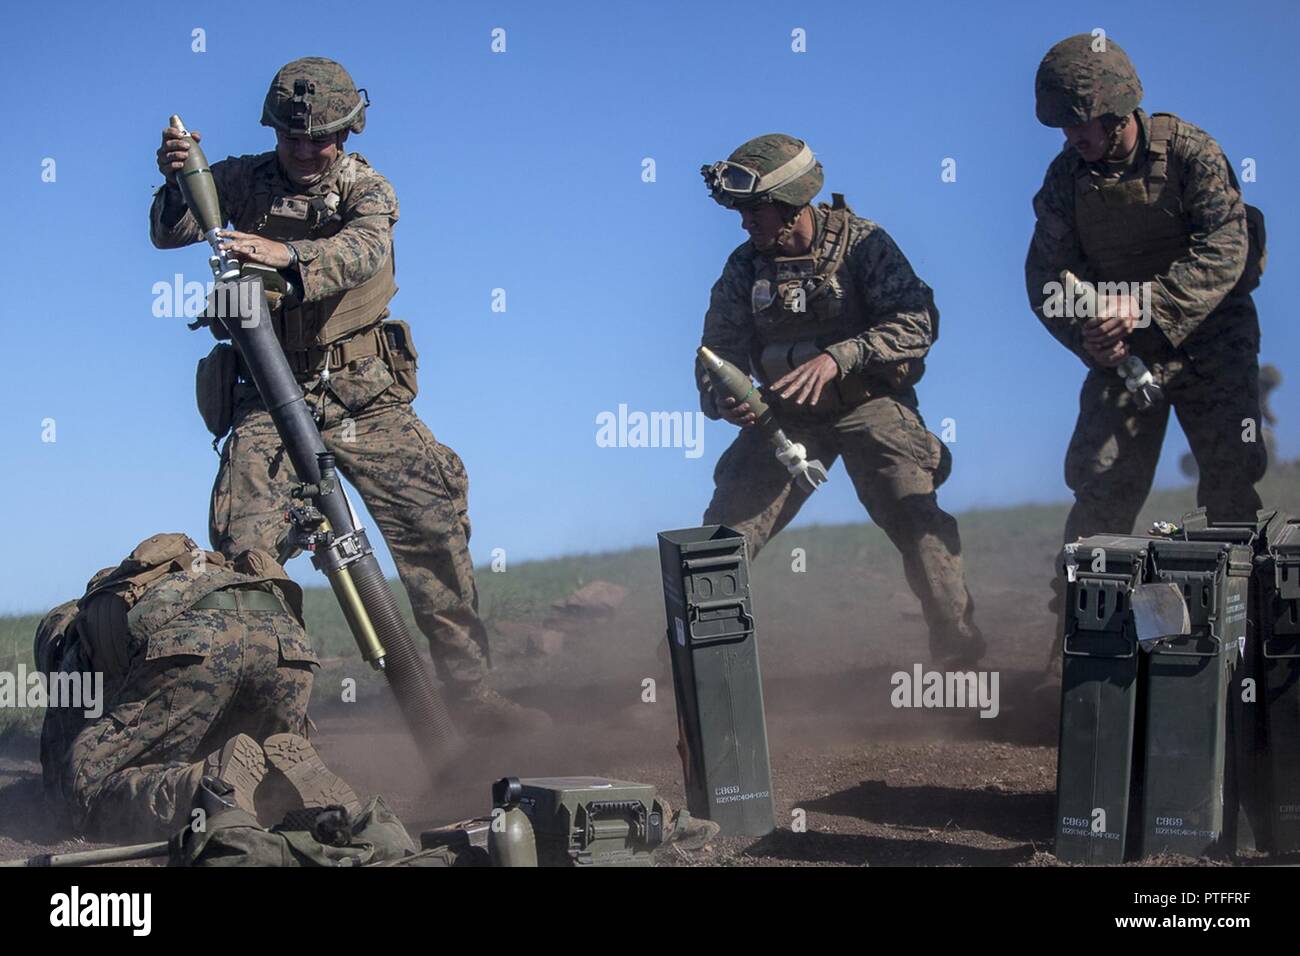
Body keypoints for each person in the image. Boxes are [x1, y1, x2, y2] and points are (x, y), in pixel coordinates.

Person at [150, 57, 541, 732]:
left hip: (365, 398)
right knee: (246, 556)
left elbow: (361, 252)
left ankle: (472, 700)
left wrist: (287, 257)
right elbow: (171, 232)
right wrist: (177, 179)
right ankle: (270, 730)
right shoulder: (242, 179)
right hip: (268, 400)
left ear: (350, 131)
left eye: (322, 138)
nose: (306, 151)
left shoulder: (369, 189)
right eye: (292, 137)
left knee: (432, 537)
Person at [1025, 34, 1267, 671]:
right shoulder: (1064, 181)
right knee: (1100, 494)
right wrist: (1089, 336)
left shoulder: (1191, 153)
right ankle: (1077, 649)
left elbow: (1226, 248)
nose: (1071, 139)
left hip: (1211, 338)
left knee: (1230, 487)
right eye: (1062, 128)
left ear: (1117, 110)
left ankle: (1243, 652)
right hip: (1123, 353)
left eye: (1079, 125)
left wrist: (1147, 303)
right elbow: (1046, 281)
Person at [696, 133, 985, 667]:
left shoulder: (863, 244)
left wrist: (840, 357)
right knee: (722, 540)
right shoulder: (744, 267)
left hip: (869, 404)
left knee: (917, 521)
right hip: (784, 417)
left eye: (755, 210)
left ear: (791, 204)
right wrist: (721, 398)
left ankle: (958, 657)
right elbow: (717, 350)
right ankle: (685, 672)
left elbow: (916, 324)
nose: (746, 224)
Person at [38, 532, 360, 840]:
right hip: (284, 636)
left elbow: (63, 774)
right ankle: (285, 785)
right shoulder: (173, 579)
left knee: (82, 792)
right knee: (258, 747)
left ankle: (208, 784)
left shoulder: (74, 638)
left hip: (192, 637)